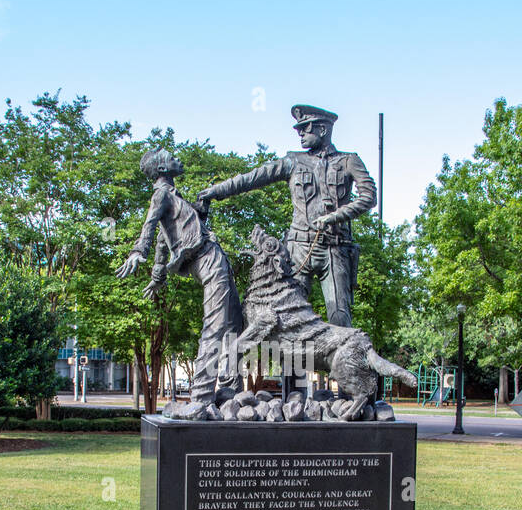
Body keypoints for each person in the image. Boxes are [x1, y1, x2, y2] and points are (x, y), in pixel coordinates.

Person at [196, 104, 376, 328]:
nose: (300, 134)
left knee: (340, 320)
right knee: (290, 317)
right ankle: (294, 364)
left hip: (335, 249)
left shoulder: (349, 161)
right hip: (298, 249)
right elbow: (253, 177)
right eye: (299, 129)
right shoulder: (293, 162)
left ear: (322, 130)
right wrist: (217, 191)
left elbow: (369, 197)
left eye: (305, 128)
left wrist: (335, 217)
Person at [117, 148, 243, 407]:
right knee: (217, 325)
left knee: (234, 325)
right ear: (162, 169)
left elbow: (164, 240)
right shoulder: (162, 194)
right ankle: (201, 395)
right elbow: (149, 224)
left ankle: (231, 391)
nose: (178, 159)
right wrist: (137, 251)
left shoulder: (175, 199)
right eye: (171, 157)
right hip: (206, 259)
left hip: (214, 258)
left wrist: (157, 275)